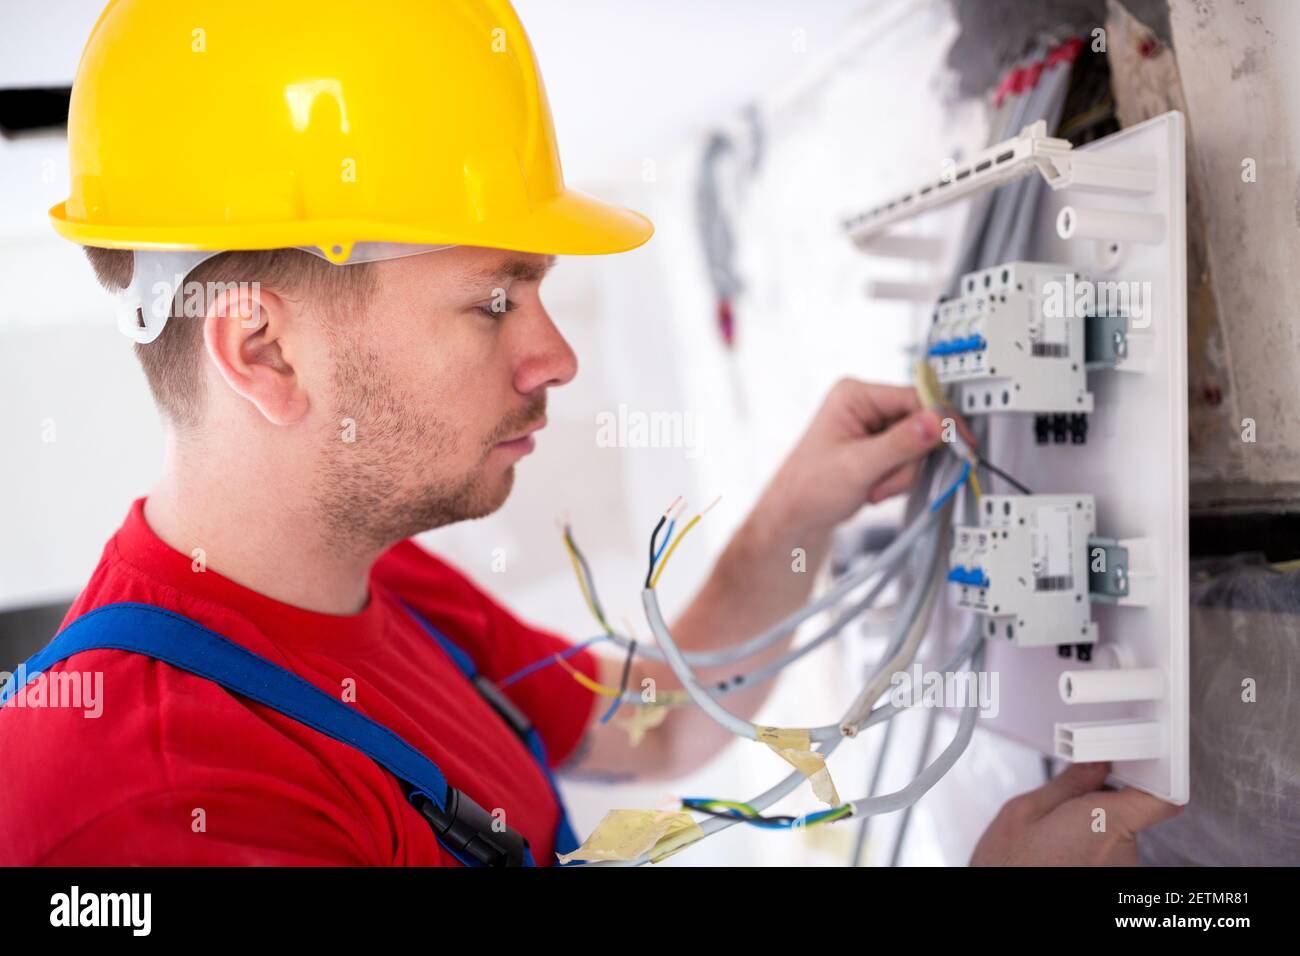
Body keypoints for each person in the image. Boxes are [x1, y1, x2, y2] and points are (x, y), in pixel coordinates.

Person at [0, 0, 1178, 866]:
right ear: (261, 350)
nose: (553, 353)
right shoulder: (136, 805)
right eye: (494, 297)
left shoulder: (371, 578)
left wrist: (791, 516)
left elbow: (648, 723)